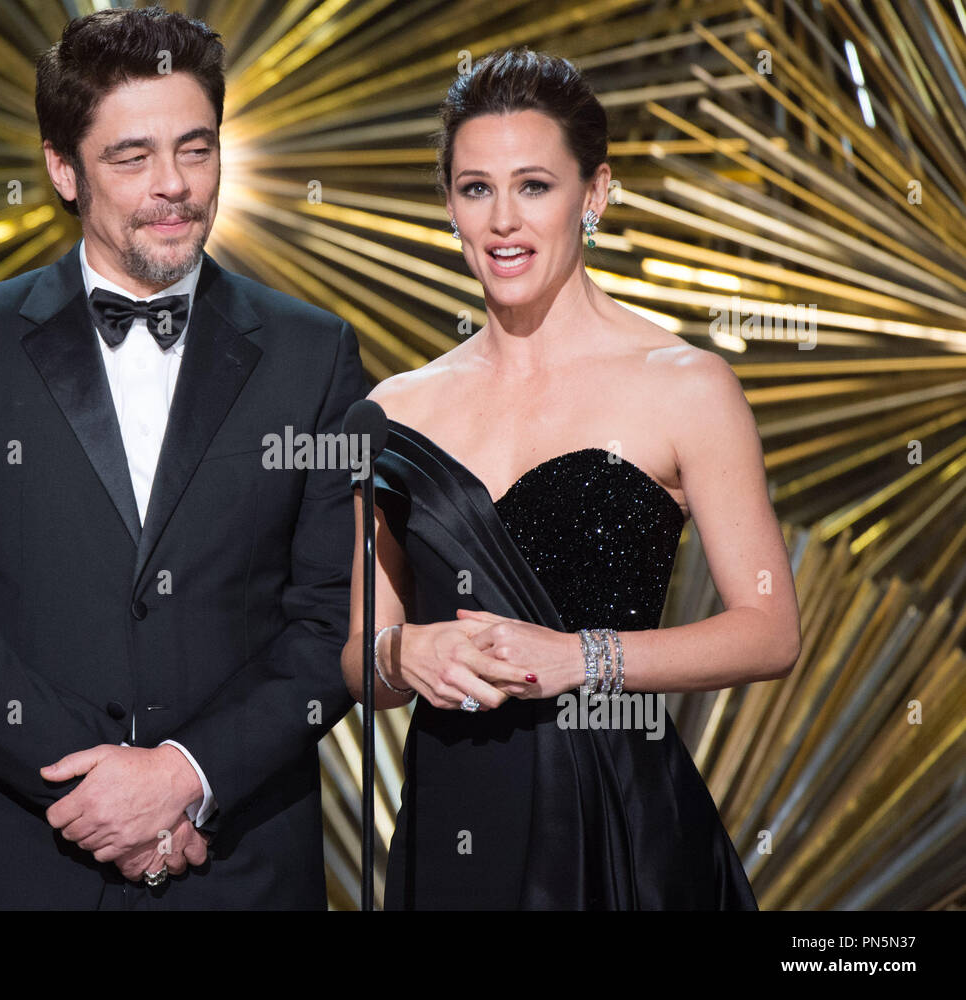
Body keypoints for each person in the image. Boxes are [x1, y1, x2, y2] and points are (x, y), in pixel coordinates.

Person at [0, 7, 365, 909]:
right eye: (132, 157)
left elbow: (333, 618)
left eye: (197, 148)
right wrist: (104, 795)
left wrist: (185, 775)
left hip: (237, 864)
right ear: (64, 170)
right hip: (14, 861)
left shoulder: (316, 354)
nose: (173, 185)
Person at [342, 49, 800, 909]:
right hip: (453, 820)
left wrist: (577, 660)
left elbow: (769, 632)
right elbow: (362, 657)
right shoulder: (392, 411)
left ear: (593, 195)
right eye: (476, 188)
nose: (504, 221)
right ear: (449, 205)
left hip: (616, 814)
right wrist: (405, 653)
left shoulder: (684, 384)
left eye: (535, 186)